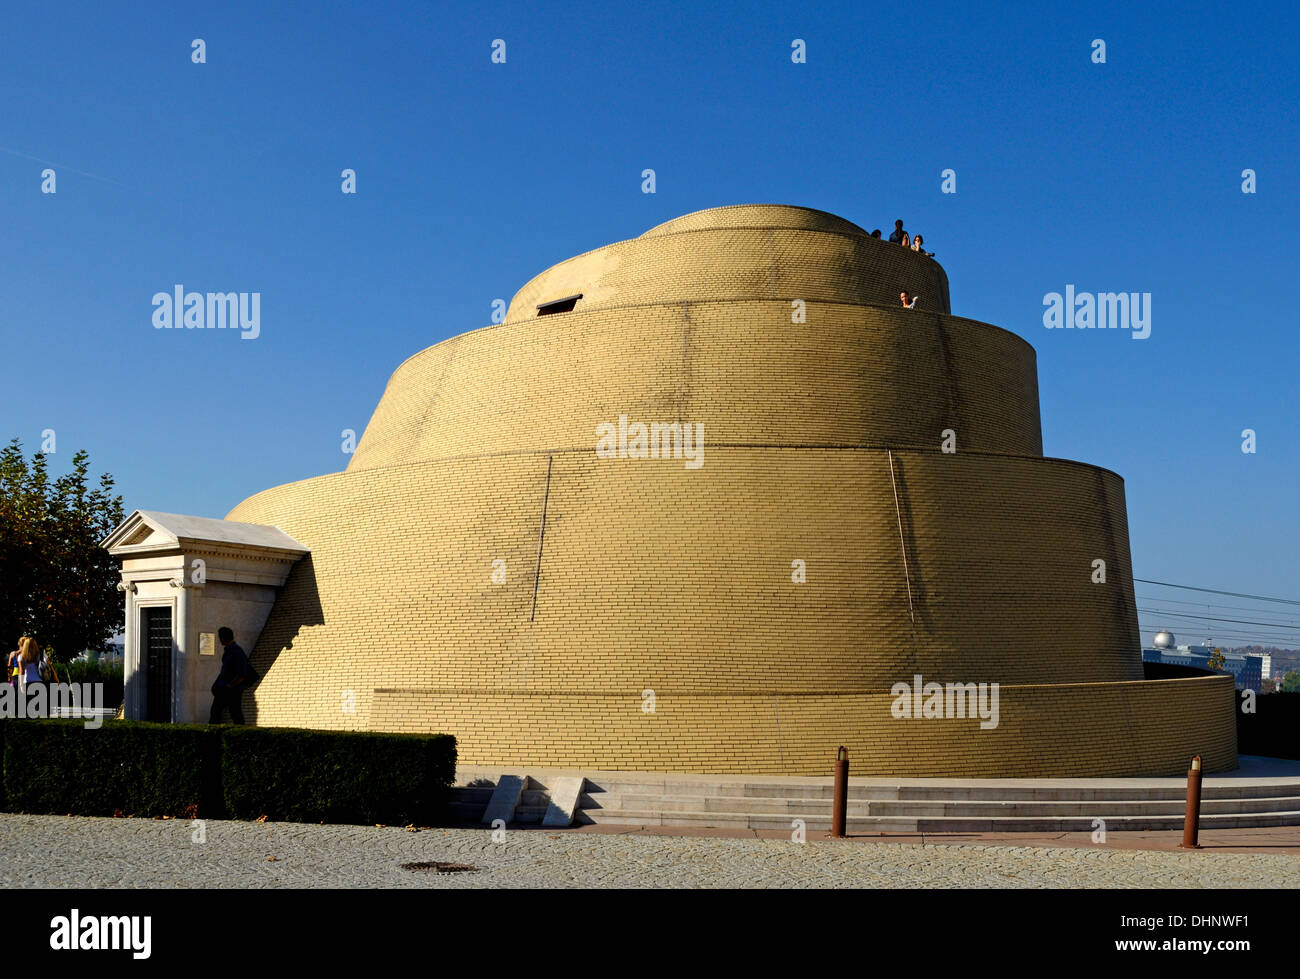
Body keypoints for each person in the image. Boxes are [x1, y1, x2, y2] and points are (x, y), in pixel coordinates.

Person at [209, 626, 250, 724]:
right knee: (221, 712)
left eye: (220, 638)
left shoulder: (236, 652)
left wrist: (230, 686)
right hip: (227, 688)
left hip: (231, 689)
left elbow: (242, 674)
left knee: (232, 713)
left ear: (223, 638)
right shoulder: (230, 651)